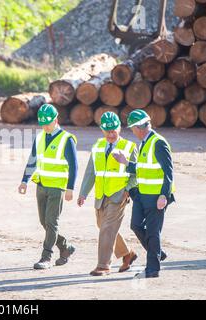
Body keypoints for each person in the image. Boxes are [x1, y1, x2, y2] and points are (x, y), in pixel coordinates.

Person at [112, 109, 175, 278]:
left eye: (132, 129)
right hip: (142, 194)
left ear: (139, 128)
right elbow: (142, 169)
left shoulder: (158, 143)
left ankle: (152, 269)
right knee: (136, 225)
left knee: (153, 232)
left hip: (156, 197)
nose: (132, 132)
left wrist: (164, 195)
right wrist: (126, 163)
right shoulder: (144, 143)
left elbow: (168, 172)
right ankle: (158, 253)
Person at [78, 112, 138, 276]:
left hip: (119, 194)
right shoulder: (97, 146)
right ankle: (128, 254)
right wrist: (83, 193)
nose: (111, 134)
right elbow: (91, 171)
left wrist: (127, 190)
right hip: (101, 195)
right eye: (108, 131)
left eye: (114, 130)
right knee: (103, 226)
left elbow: (137, 173)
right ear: (102, 130)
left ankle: (103, 265)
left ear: (119, 127)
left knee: (107, 228)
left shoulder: (130, 147)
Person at [18, 104, 78, 270]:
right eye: (43, 123)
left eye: (48, 123)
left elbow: (74, 166)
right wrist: (24, 180)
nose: (45, 126)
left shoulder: (66, 139)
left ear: (56, 120)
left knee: (52, 223)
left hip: (57, 188)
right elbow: (33, 160)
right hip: (42, 185)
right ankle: (66, 247)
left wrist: (70, 188)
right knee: (44, 222)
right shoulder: (39, 137)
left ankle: (46, 257)